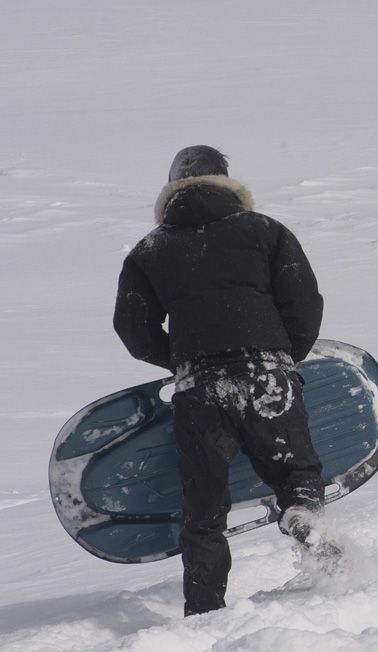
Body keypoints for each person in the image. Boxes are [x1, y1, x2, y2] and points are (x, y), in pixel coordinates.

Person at [113, 145, 327, 616]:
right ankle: (303, 516)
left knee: (204, 511)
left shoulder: (150, 250)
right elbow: (305, 303)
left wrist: (183, 359)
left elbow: (132, 329)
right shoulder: (266, 232)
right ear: (228, 183)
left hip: (200, 388)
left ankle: (204, 613)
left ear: (170, 191)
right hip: (266, 372)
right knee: (295, 471)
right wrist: (282, 358)